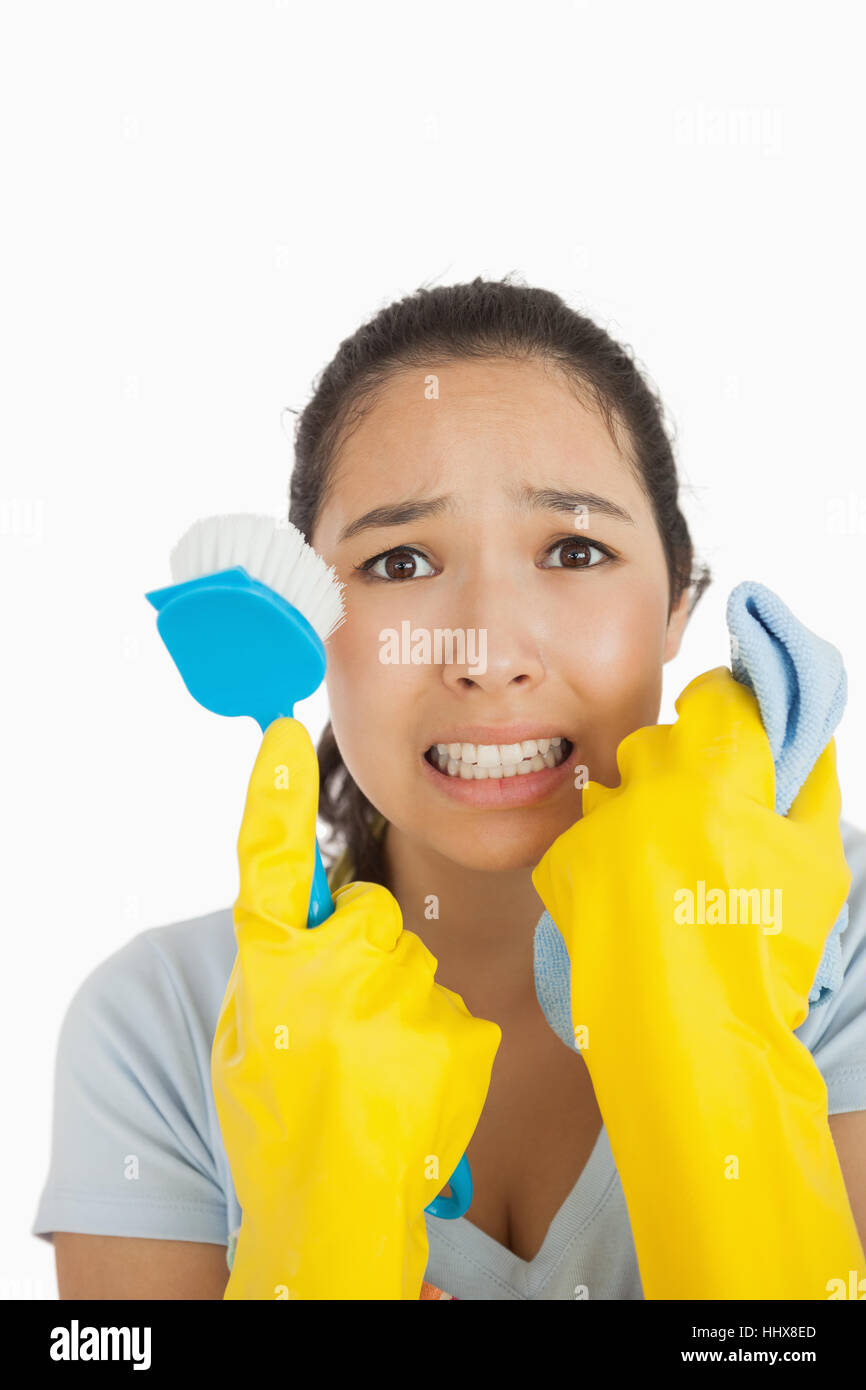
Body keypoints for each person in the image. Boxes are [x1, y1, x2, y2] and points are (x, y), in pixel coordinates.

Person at [32, 277, 866, 1299]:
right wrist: (321, 1229)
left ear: (675, 606)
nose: (486, 652)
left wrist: (708, 1040)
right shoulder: (156, 1026)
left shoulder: (841, 940)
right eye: (400, 560)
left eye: (572, 548)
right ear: (307, 620)